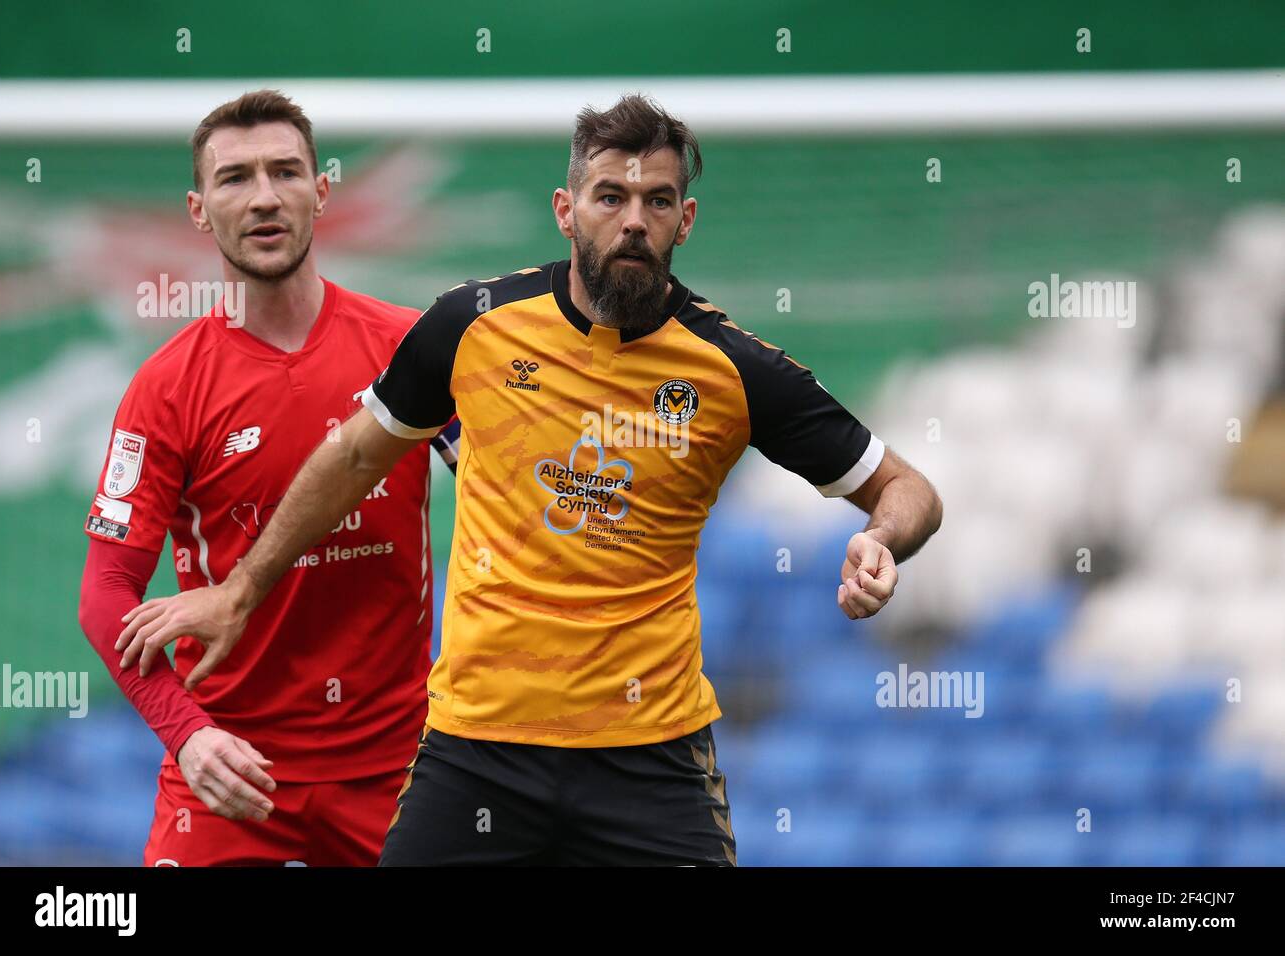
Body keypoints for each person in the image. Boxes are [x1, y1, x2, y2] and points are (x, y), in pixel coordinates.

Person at [117, 93, 942, 866]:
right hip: (478, 751)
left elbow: (907, 491)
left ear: (684, 221)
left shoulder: (732, 369)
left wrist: (880, 538)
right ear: (566, 209)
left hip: (649, 756)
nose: (632, 220)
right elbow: (355, 455)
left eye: (657, 201)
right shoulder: (472, 327)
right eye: (609, 196)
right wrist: (242, 589)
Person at [78, 89, 458, 866]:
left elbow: (514, 503)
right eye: (234, 178)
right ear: (197, 208)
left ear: (322, 193)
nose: (263, 197)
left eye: (285, 171)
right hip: (230, 769)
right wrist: (188, 737)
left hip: (401, 768)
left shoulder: (412, 349)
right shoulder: (166, 388)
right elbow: (106, 594)